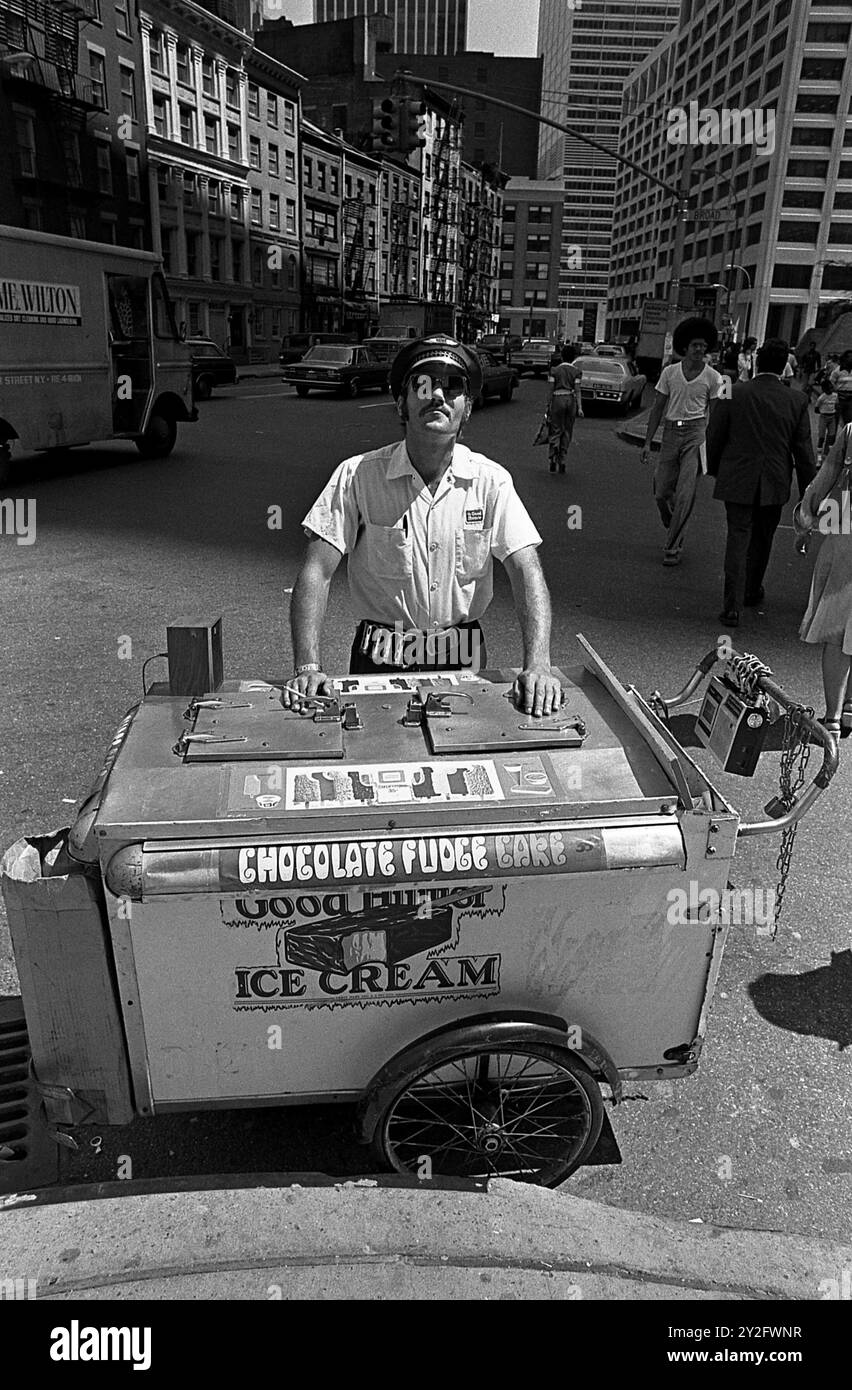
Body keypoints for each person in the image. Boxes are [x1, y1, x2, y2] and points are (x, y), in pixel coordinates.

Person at [284, 334, 563, 716]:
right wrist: (308, 668)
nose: (438, 395)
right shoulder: (357, 476)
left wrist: (539, 664)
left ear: (467, 409)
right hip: (378, 659)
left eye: (453, 387)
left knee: (463, 761)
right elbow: (316, 570)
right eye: (423, 384)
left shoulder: (490, 481)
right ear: (401, 402)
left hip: (461, 659)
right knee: (375, 761)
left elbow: (525, 568)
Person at [706, 338, 816, 626]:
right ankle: (751, 589)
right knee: (763, 540)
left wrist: (715, 468)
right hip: (775, 480)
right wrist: (810, 491)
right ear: (783, 367)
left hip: (738, 478)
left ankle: (731, 605)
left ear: (756, 362)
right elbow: (803, 450)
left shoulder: (733, 392)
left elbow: (714, 434)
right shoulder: (796, 400)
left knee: (737, 539)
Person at [639, 316, 723, 566]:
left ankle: (673, 547)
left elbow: (716, 415)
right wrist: (646, 442)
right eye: (695, 345)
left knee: (686, 492)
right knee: (662, 491)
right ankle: (673, 520)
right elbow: (657, 408)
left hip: (696, 434)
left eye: (703, 346)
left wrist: (712, 447)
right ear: (685, 346)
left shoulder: (714, 377)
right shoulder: (670, 373)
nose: (700, 350)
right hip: (671, 433)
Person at [795, 420, 852, 738]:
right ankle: (850, 709)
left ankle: (832, 716)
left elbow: (821, 484)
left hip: (845, 537)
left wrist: (804, 524)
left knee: (836, 630)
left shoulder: (850, 433)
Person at [544, 343, 584, 474]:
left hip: (557, 399)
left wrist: (548, 405)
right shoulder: (576, 372)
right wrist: (579, 407)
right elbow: (577, 390)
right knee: (567, 430)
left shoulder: (554, 371)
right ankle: (563, 459)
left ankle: (553, 456)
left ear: (561, 356)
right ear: (573, 358)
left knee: (555, 428)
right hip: (570, 399)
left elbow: (550, 389)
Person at [814, 377, 839, 460]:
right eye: (829, 388)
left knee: (831, 435)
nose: (831, 390)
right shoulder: (821, 398)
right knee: (821, 436)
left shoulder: (835, 396)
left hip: (832, 418)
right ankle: (819, 456)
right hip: (824, 417)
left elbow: (836, 405)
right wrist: (823, 411)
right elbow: (816, 409)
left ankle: (829, 454)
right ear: (824, 389)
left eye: (831, 388)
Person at [830, 350, 852, 427]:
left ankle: (847, 438)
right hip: (839, 399)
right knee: (834, 423)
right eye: (850, 357)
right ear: (845, 358)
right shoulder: (837, 371)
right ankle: (831, 438)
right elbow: (831, 384)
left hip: (850, 400)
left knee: (848, 423)